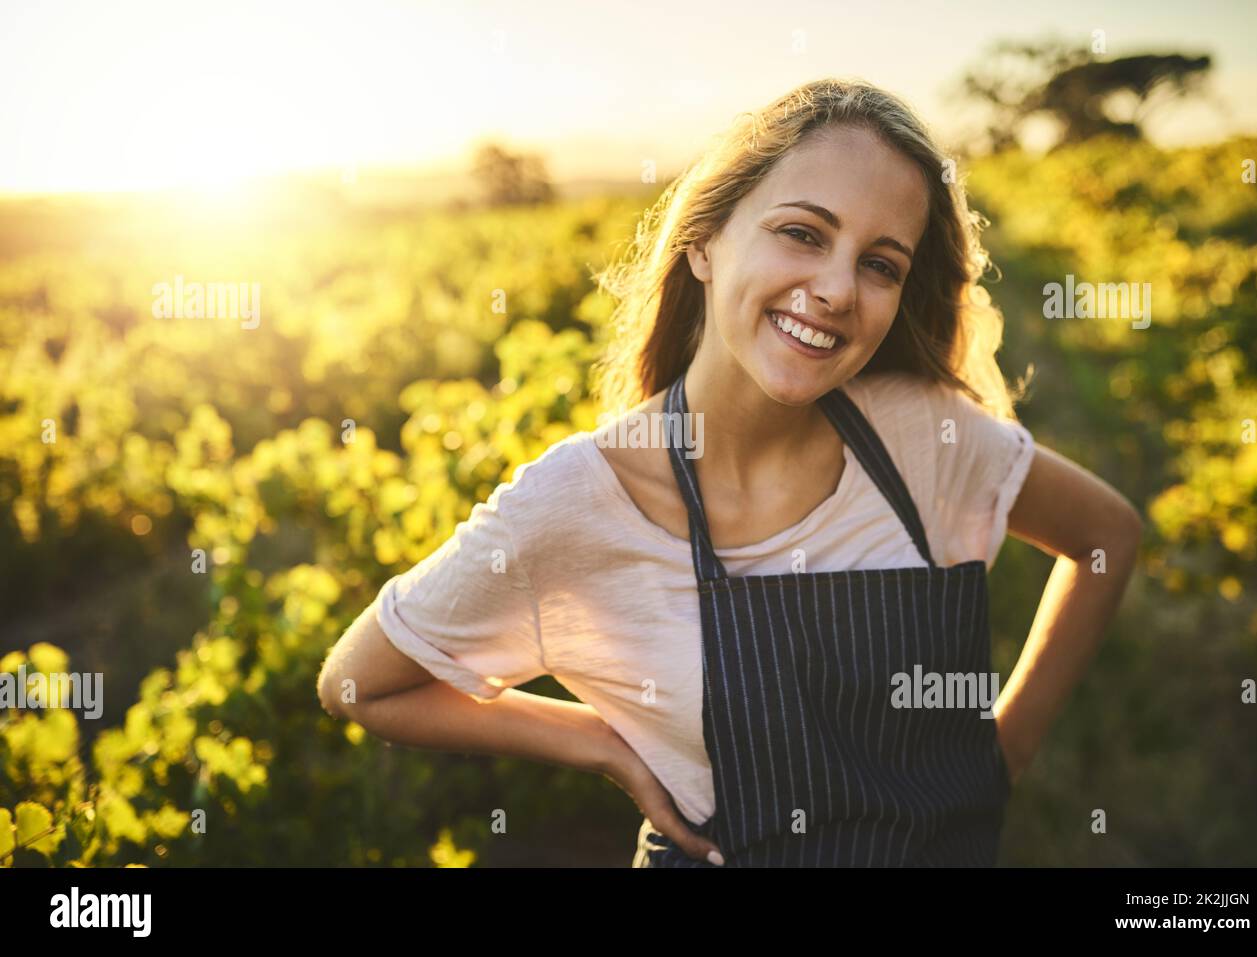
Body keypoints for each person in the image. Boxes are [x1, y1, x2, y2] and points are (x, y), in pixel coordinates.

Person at [317, 76, 1143, 867]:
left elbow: (1106, 534)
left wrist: (1010, 743)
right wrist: (600, 743)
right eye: (803, 233)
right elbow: (360, 685)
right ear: (704, 242)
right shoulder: (580, 499)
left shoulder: (918, 435)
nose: (835, 288)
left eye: (880, 263)